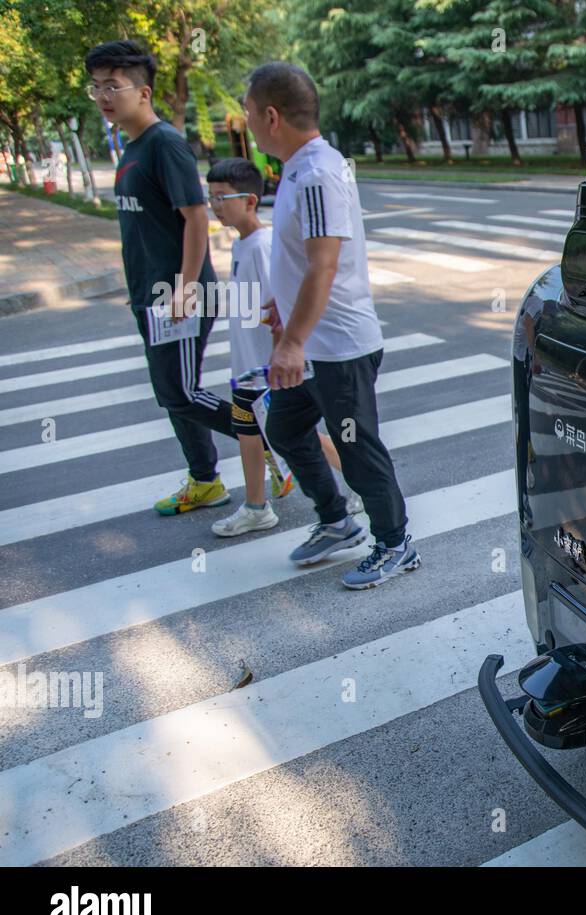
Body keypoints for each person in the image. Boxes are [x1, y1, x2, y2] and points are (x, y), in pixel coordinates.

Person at [242, 61, 419, 589]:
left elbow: (324, 263)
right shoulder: (299, 169)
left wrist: (291, 341)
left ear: (271, 116)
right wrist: (286, 310)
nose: (246, 122)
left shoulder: (318, 172)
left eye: (249, 113)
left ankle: (396, 543)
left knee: (357, 446)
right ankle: (337, 521)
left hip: (337, 346)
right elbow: (305, 262)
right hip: (313, 343)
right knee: (286, 429)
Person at [85, 40, 237, 515]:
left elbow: (195, 218)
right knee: (174, 395)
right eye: (97, 87)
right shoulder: (131, 148)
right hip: (150, 296)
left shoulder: (164, 143)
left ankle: (282, 435)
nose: (104, 96)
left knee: (181, 392)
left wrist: (186, 287)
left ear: (144, 91)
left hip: (181, 295)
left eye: (114, 85)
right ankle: (205, 480)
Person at [204, 158, 366, 537]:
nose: (215, 205)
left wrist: (279, 359)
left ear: (249, 200)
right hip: (247, 366)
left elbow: (282, 306)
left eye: (222, 197)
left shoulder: (261, 245)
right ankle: (256, 506)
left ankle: (356, 481)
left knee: (300, 434)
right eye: (210, 197)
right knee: (247, 432)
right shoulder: (243, 244)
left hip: (267, 367)